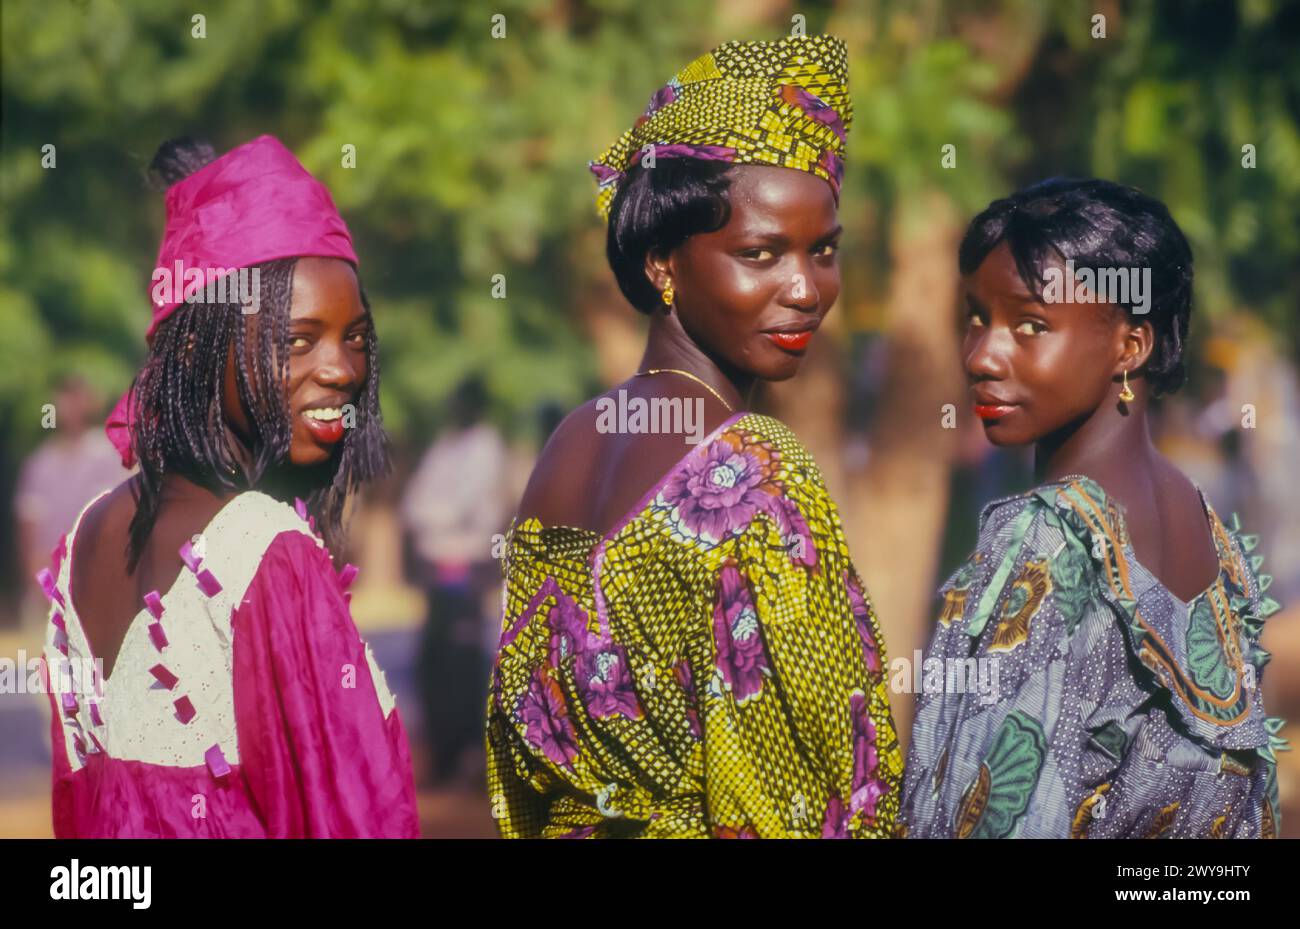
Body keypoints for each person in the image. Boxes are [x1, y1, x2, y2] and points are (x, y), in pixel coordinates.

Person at [485, 35, 902, 838]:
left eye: (824, 251)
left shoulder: (571, 443)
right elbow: (826, 797)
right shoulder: (755, 475)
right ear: (664, 263)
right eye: (760, 253)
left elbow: (517, 742)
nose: (806, 289)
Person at [36, 135, 419, 838]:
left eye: (356, 337)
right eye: (299, 339)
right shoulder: (265, 551)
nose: (341, 370)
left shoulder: (82, 539)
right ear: (197, 343)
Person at [899, 178, 1286, 838]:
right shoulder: (1211, 533)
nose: (982, 355)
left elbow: (991, 810)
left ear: (1129, 346)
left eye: (1030, 325)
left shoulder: (1045, 538)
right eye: (976, 317)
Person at [401, 375, 511, 784]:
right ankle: (443, 751)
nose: (456, 409)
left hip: (465, 570)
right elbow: (414, 505)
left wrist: (436, 515)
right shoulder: (444, 448)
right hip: (437, 573)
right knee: (433, 661)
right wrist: (436, 515)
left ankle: (468, 755)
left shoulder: (486, 448)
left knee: (463, 663)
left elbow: (465, 508)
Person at [15, 375, 123, 631]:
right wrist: (34, 572)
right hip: (51, 576)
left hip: (96, 571)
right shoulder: (41, 461)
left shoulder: (106, 453)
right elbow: (29, 520)